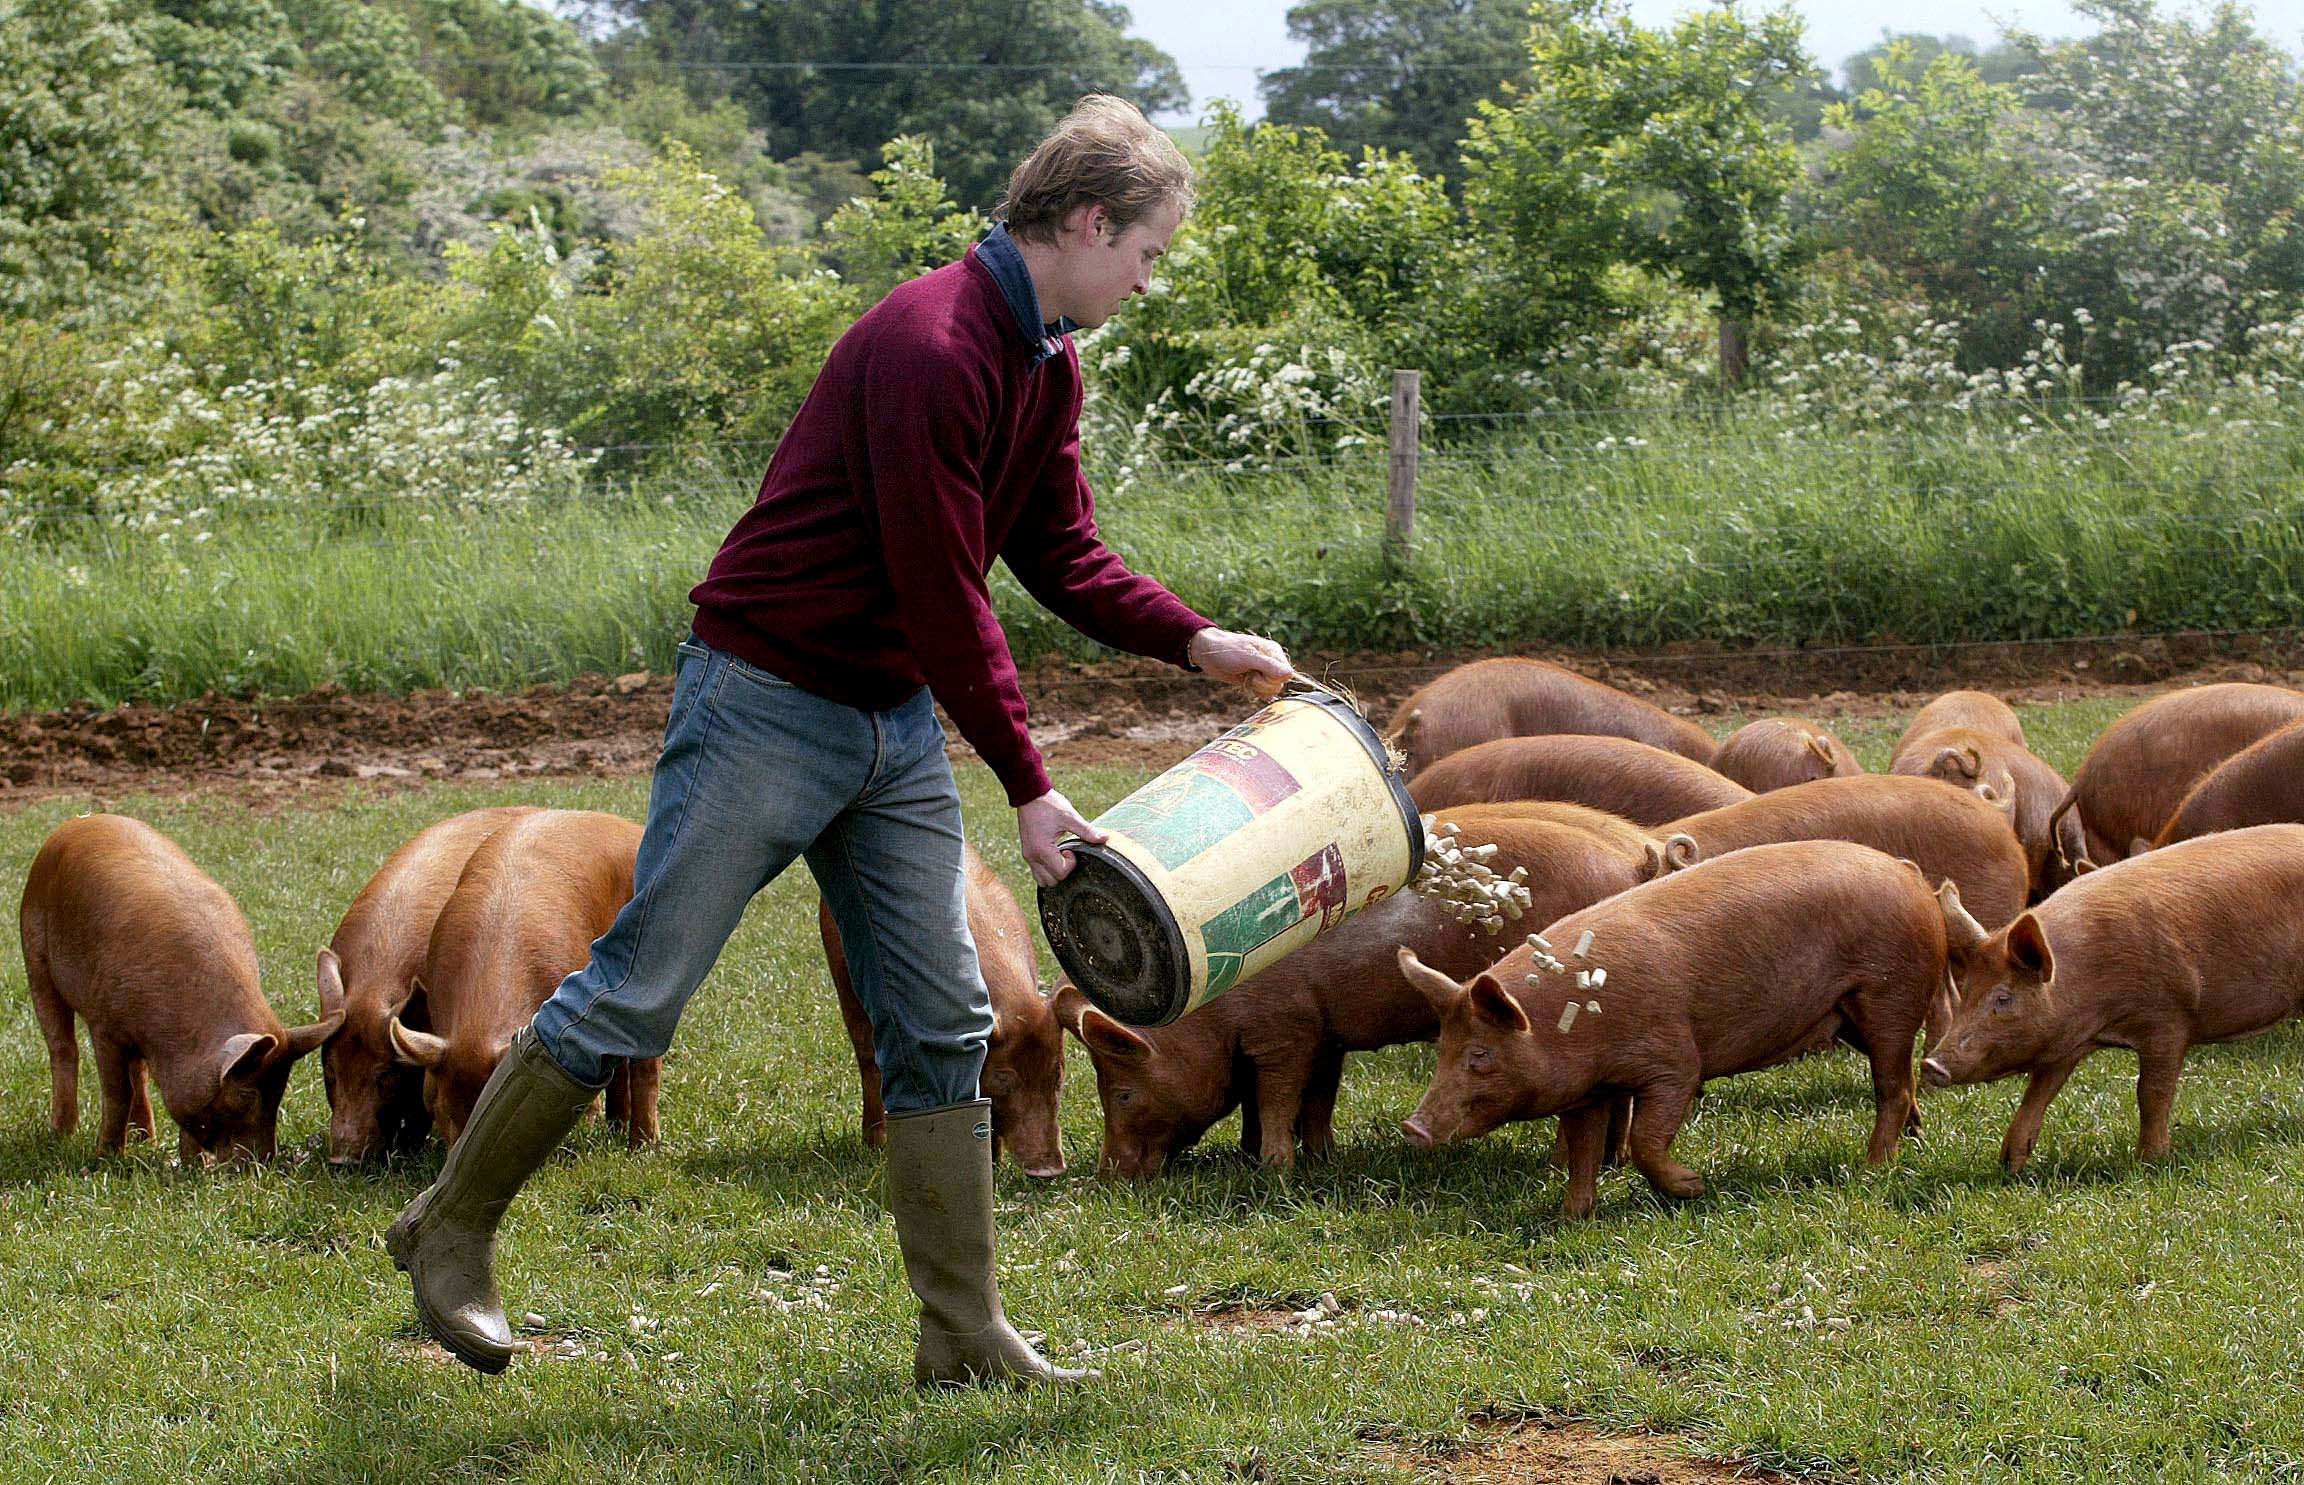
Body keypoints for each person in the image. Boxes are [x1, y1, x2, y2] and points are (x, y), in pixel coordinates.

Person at [384, 95, 1293, 1389]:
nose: (1148, 279)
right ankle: (451, 1232)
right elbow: (941, 590)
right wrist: (1032, 791)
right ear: (1088, 223)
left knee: (941, 1015)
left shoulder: (1047, 361)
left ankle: (960, 1328)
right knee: (640, 984)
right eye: (1146, 252)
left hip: (887, 721)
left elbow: (1059, 550)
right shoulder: (931, 345)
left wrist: (1198, 641)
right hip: (764, 697)